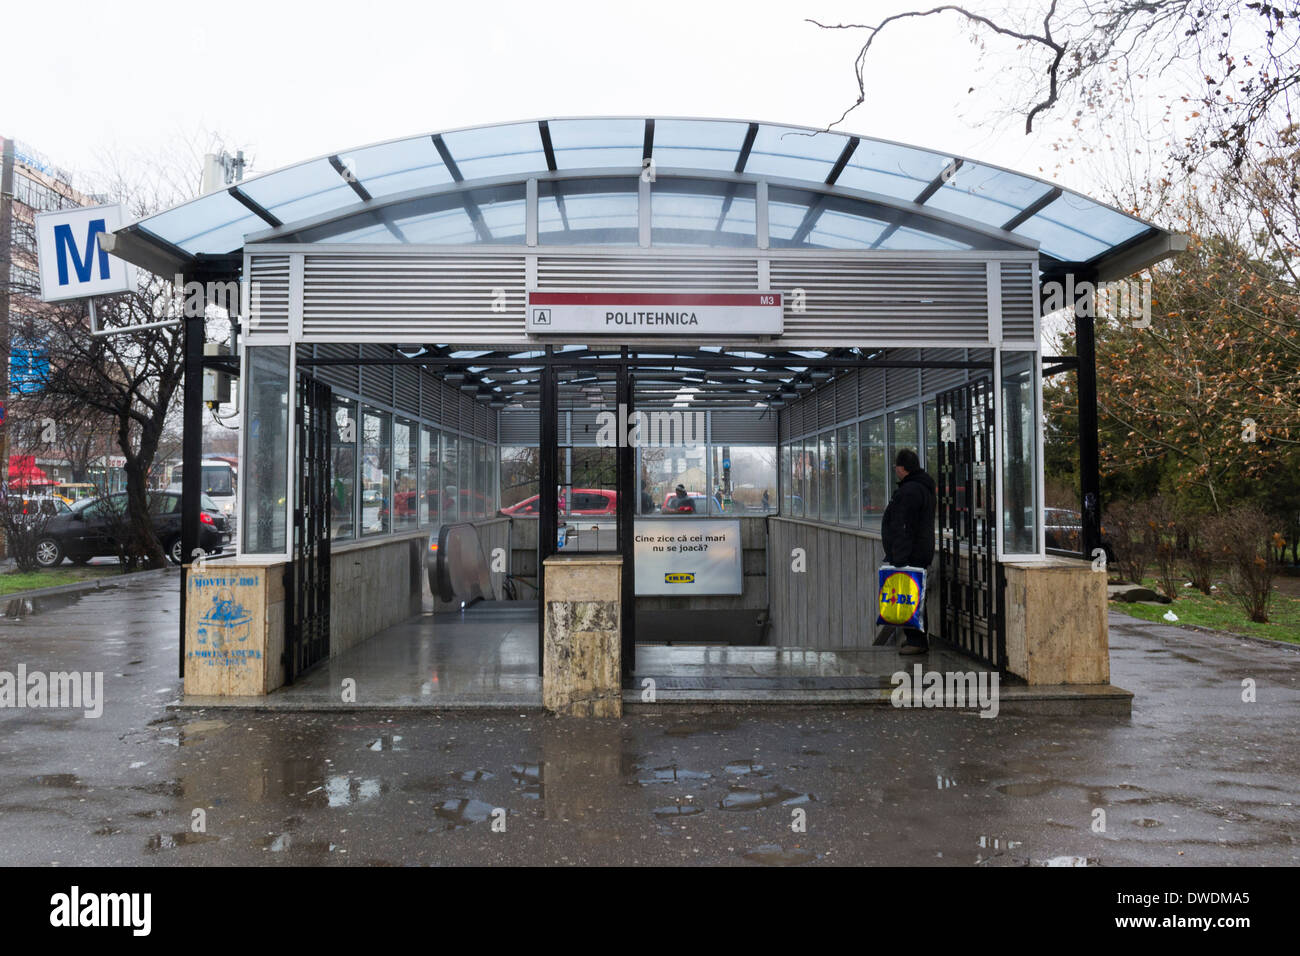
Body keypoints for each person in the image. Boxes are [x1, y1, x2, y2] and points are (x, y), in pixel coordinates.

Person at [880, 448, 937, 655]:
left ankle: (917, 640)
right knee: (914, 595)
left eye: (896, 465)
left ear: (902, 468)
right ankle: (916, 637)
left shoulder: (910, 491)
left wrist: (900, 557)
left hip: (911, 553)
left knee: (910, 596)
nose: (895, 469)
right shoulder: (922, 487)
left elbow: (904, 526)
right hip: (919, 550)